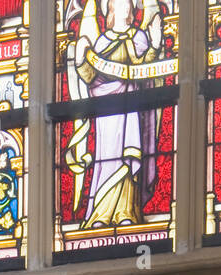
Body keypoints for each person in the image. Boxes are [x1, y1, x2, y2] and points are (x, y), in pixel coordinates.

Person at [68, 0, 166, 229]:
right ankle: (101, 213)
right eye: (119, 4)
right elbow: (92, 78)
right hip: (107, 111)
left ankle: (126, 210)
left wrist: (155, 45)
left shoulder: (139, 37)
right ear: (110, 10)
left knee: (128, 156)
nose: (124, 7)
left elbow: (146, 68)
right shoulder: (103, 42)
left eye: (127, 4)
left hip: (132, 108)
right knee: (108, 157)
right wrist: (81, 59)